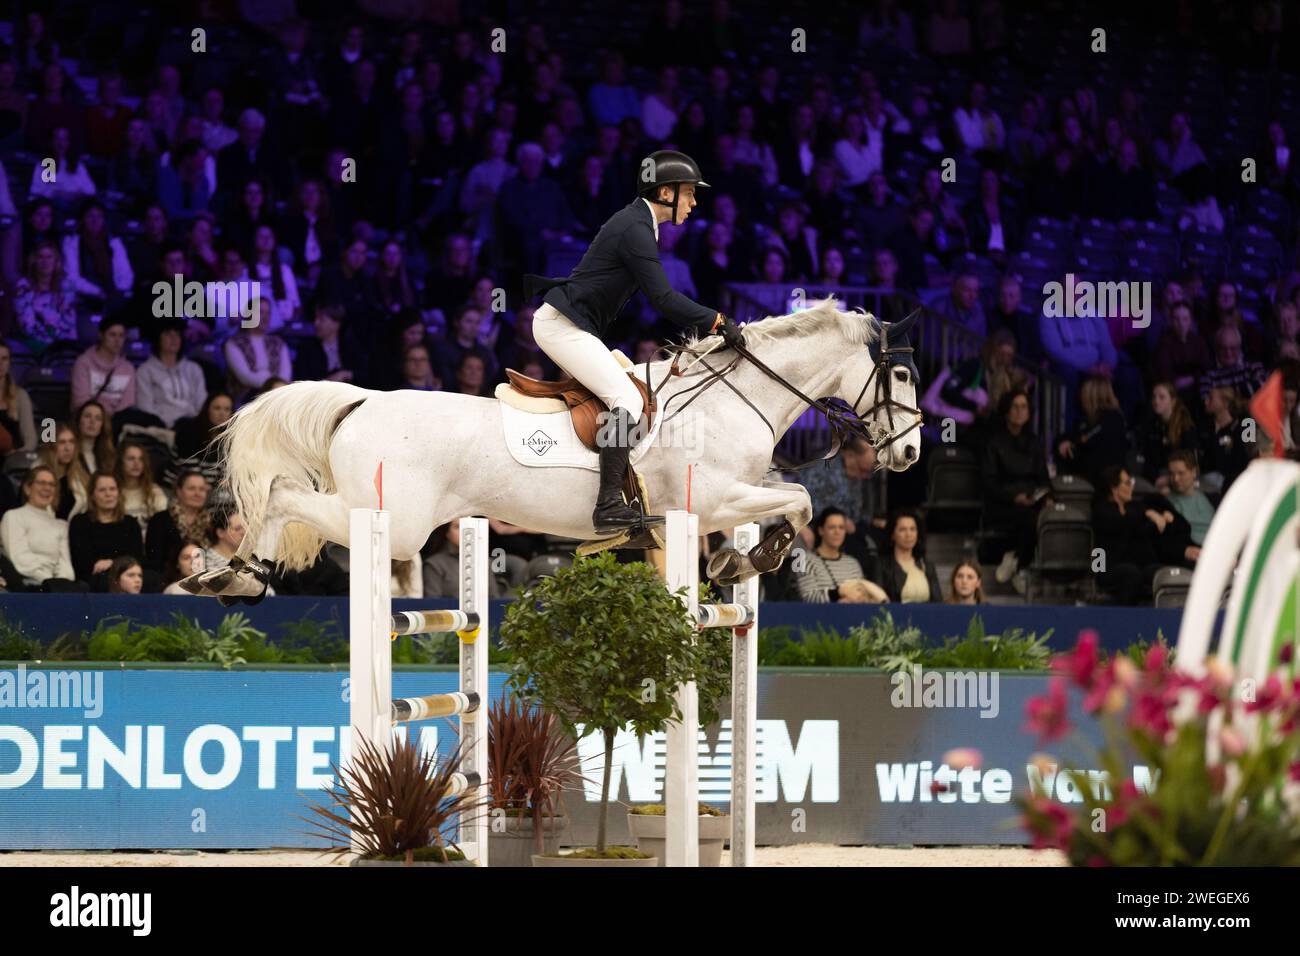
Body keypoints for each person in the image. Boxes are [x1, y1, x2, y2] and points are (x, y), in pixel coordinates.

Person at [522, 150, 742, 536]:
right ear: (666, 193)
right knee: (626, 400)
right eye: (689, 193)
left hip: (573, 326)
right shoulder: (635, 228)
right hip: (560, 326)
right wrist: (717, 321)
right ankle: (607, 504)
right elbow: (663, 299)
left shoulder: (640, 223)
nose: (694, 202)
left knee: (627, 389)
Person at [982, 388, 1048, 592]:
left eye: (1024, 407)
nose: (1020, 411)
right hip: (1002, 503)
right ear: (1006, 411)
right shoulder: (993, 442)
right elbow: (988, 482)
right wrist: (1014, 497)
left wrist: (1048, 497)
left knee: (1047, 516)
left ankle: (1015, 558)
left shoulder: (1035, 442)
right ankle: (1020, 566)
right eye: (1015, 407)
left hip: (1032, 501)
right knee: (1029, 519)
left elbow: (1043, 478)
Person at [1092, 466, 1165, 605]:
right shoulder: (1101, 509)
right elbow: (1123, 523)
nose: (1131, 486)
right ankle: (1123, 619)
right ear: (1114, 488)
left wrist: (1156, 515)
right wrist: (1148, 514)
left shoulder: (1134, 508)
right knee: (1131, 574)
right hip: (1103, 566)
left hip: (1138, 565)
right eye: (1127, 483)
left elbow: (1144, 527)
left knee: (1162, 573)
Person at [0, 466, 79, 591]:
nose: (47, 488)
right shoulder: (13, 516)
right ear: (27, 488)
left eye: (52, 484)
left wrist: (63, 583)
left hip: (57, 587)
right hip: (27, 584)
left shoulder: (61, 525)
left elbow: (65, 563)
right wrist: (48, 581)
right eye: (41, 483)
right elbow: (19, 557)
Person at [68, 472, 145, 588]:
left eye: (112, 489)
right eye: (102, 490)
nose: (108, 494)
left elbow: (136, 557)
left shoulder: (130, 523)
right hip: (94, 577)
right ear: (92, 495)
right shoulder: (80, 522)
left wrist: (113, 564)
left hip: (127, 576)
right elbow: (81, 560)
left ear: (119, 493)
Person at [796, 507, 884, 603]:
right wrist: (838, 593)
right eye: (832, 527)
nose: (837, 532)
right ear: (821, 530)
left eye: (841, 527)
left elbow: (861, 595)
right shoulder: (804, 560)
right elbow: (807, 598)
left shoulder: (853, 563)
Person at [135, 319, 207, 427]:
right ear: (158, 338)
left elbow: (202, 402)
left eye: (177, 334)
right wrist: (166, 424)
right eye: (168, 334)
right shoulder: (145, 370)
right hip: (161, 427)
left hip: (193, 426)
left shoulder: (194, 369)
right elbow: (145, 406)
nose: (174, 338)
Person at [1056, 377, 1128, 482]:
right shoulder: (1090, 419)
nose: (1081, 397)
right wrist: (1063, 441)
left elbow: (1086, 438)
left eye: (1083, 393)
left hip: (1104, 480)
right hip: (1094, 476)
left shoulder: (1111, 418)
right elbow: (1074, 434)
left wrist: (1072, 443)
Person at [70, 315, 137, 418]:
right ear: (101, 335)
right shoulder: (83, 363)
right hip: (89, 420)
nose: (117, 340)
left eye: (121, 335)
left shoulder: (128, 368)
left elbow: (127, 404)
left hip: (117, 422)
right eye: (112, 335)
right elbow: (80, 401)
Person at [14, 240, 77, 349]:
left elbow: (69, 320)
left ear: (56, 261)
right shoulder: (23, 286)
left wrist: (57, 338)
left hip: (63, 339)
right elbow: (26, 324)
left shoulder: (66, 285)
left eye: (49, 257)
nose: (45, 261)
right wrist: (48, 341)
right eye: (40, 257)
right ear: (34, 261)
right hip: (34, 340)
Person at [146, 470, 211, 573]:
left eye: (202, 489)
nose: (197, 494)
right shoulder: (159, 520)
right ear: (179, 491)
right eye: (191, 489)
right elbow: (155, 560)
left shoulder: (212, 522)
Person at [1135, 382, 1198, 485]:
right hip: (1156, 475)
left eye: (1162, 397)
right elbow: (1147, 457)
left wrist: (1169, 478)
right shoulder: (1151, 425)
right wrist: (1155, 478)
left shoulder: (1185, 426)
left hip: (1177, 476)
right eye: (1154, 397)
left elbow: (1188, 460)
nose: (1156, 401)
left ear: (1173, 401)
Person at [423, 520, 506, 598]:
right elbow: (433, 603)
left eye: (468, 527)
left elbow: (494, 598)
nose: (464, 531)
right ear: (447, 533)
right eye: (458, 527)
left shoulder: (485, 561)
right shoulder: (434, 564)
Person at [224, 309, 293, 402]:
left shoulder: (278, 342)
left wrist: (276, 387)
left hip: (276, 393)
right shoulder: (234, 343)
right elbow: (245, 377)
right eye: (260, 312)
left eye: (268, 312)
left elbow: (285, 375)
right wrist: (271, 385)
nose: (265, 317)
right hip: (247, 396)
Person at [878, 509, 943, 603]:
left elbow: (938, 603)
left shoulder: (928, 566)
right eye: (902, 529)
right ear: (892, 535)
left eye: (913, 529)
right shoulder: (881, 565)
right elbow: (878, 601)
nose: (908, 534)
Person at [294, 302, 365, 384]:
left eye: (321, 319)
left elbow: (366, 374)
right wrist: (330, 380)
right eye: (315, 318)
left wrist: (347, 374)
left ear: (336, 323)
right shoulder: (307, 348)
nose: (316, 323)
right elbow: (302, 382)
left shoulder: (350, 345)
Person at [36, 422, 89, 518]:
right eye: (62, 442)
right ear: (52, 446)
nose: (68, 448)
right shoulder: (38, 474)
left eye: (71, 442)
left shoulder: (80, 474)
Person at [114, 440, 169, 533]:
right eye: (131, 459)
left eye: (141, 459)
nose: (136, 463)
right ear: (120, 462)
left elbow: (164, 525)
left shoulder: (154, 491)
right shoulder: (112, 491)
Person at [1166, 450, 1214, 550]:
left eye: (1181, 473)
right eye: (1171, 474)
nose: (1175, 479)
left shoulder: (1210, 498)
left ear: (1194, 472)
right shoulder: (1166, 503)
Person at [0, 340, 37, 451]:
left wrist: (16, 456)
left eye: (4, 359)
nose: (0, 363)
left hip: (12, 460)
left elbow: (31, 440)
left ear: (10, 363)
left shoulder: (21, 396)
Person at [73, 400, 116, 476]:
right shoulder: (70, 453)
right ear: (78, 421)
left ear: (102, 425)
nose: (92, 421)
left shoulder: (108, 456)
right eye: (87, 416)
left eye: (98, 418)